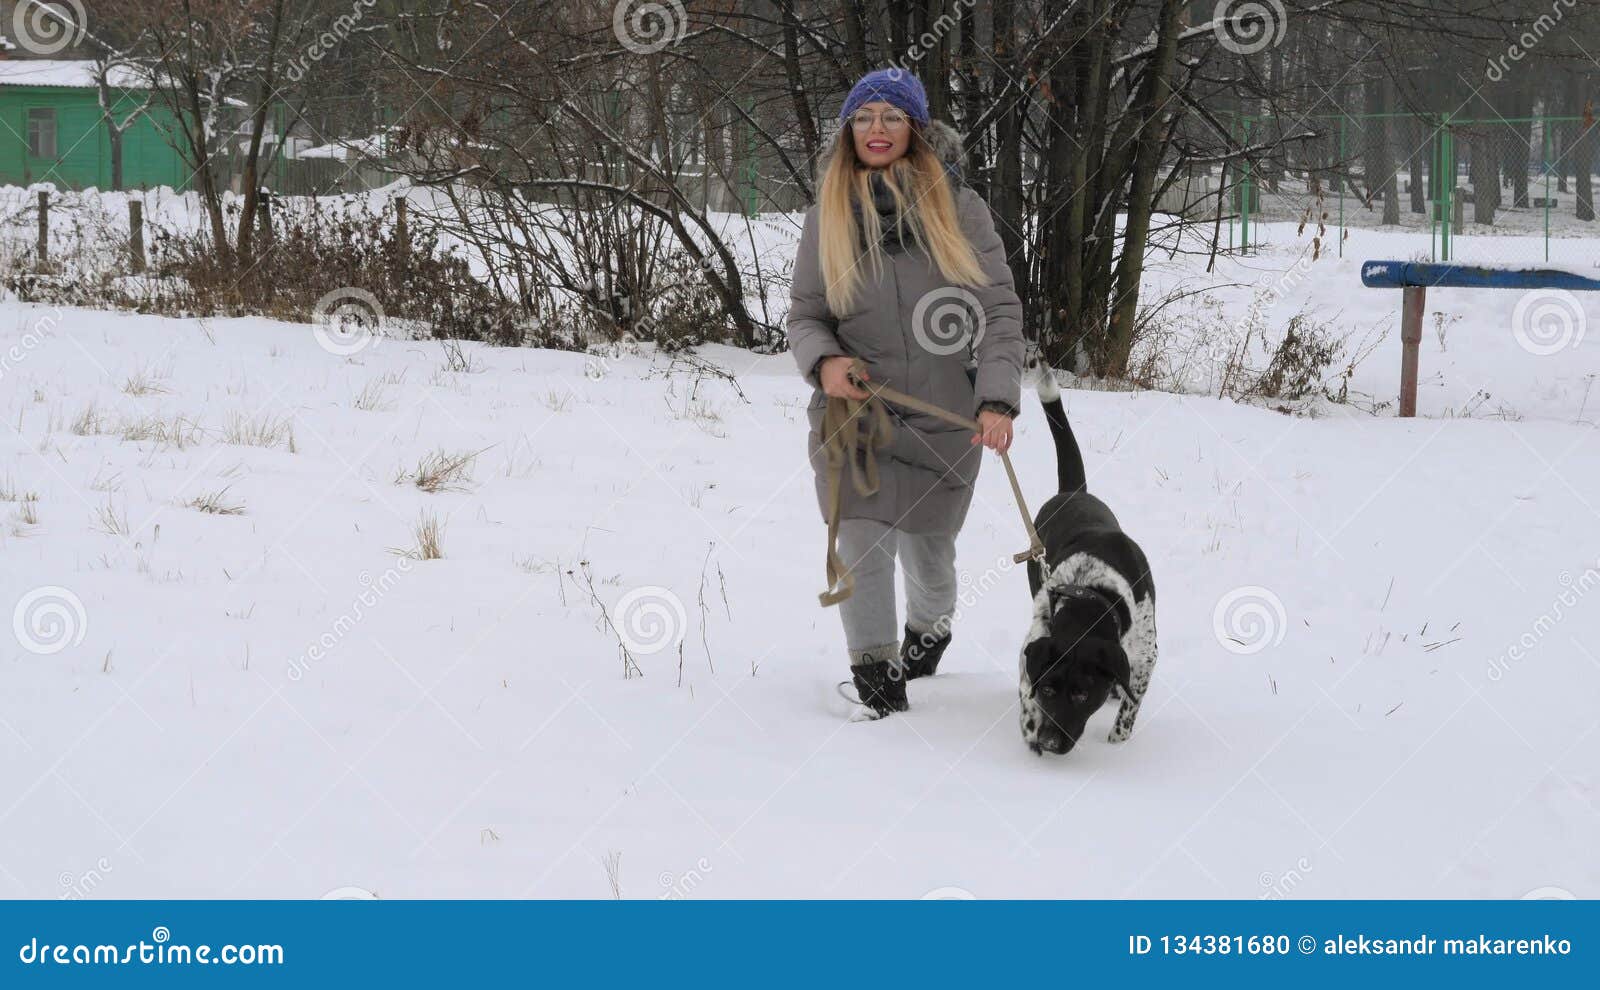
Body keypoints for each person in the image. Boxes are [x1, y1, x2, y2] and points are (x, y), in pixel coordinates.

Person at [787, 68, 1025, 717]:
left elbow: (1001, 312)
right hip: (856, 418)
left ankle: (930, 629)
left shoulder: (962, 210)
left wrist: (997, 399)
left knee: (931, 555)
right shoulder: (826, 216)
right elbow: (806, 315)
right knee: (861, 538)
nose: (877, 129)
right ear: (849, 131)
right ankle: (876, 686)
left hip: (946, 419)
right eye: (865, 117)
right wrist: (826, 362)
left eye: (892, 116)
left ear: (915, 130)